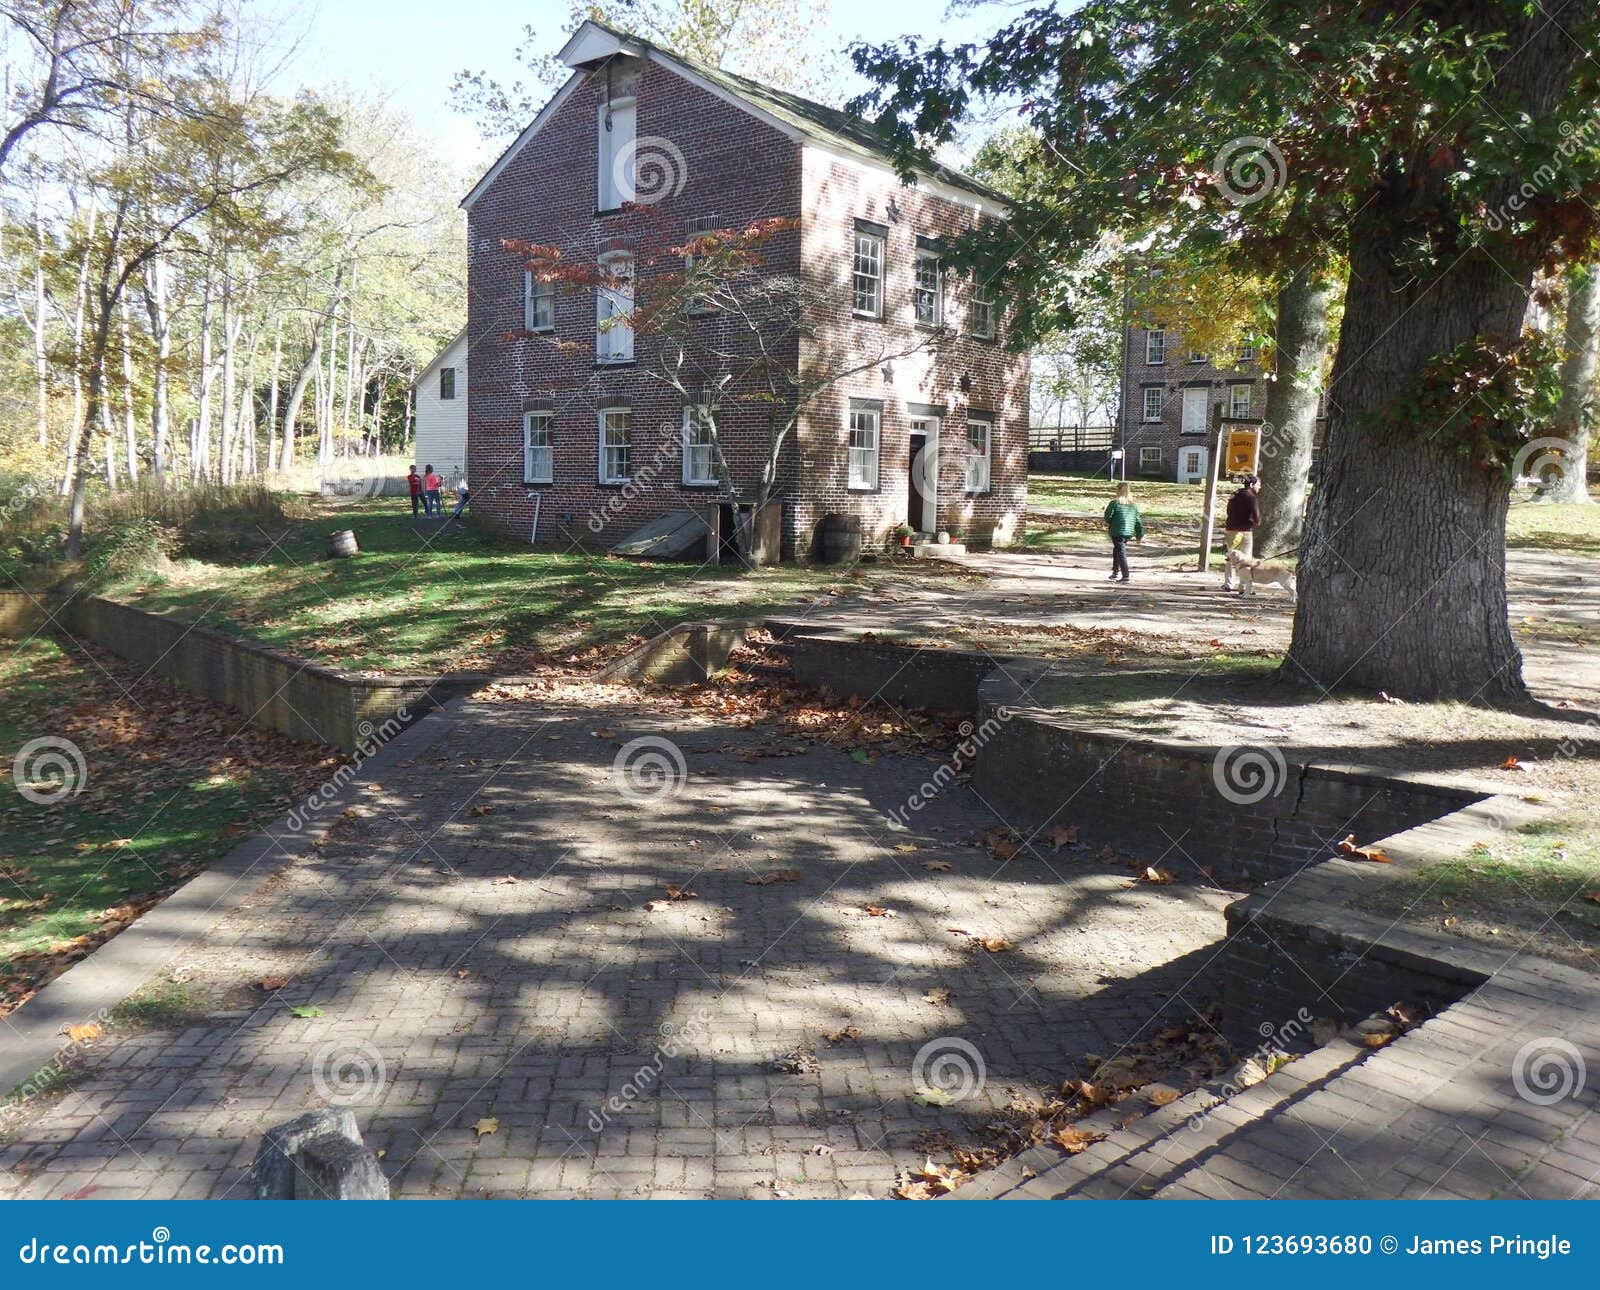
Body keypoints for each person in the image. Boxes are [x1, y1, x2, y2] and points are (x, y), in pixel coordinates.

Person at [1221, 475, 1261, 591]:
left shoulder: (1234, 495)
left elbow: (1228, 511)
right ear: (1252, 485)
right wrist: (1254, 521)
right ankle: (1243, 586)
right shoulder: (1252, 498)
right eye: (1258, 484)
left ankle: (1228, 584)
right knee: (1246, 559)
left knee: (1230, 557)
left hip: (1231, 530)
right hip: (1245, 532)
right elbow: (1257, 518)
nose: (1260, 487)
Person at [1103, 481, 1144, 584]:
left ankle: (1125, 576)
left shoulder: (1115, 503)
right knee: (1117, 550)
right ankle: (1115, 572)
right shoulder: (1133, 505)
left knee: (1120, 552)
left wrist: (1112, 523)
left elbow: (1107, 517)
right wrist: (1139, 535)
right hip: (1128, 532)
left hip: (1117, 531)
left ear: (1118, 490)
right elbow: (1138, 521)